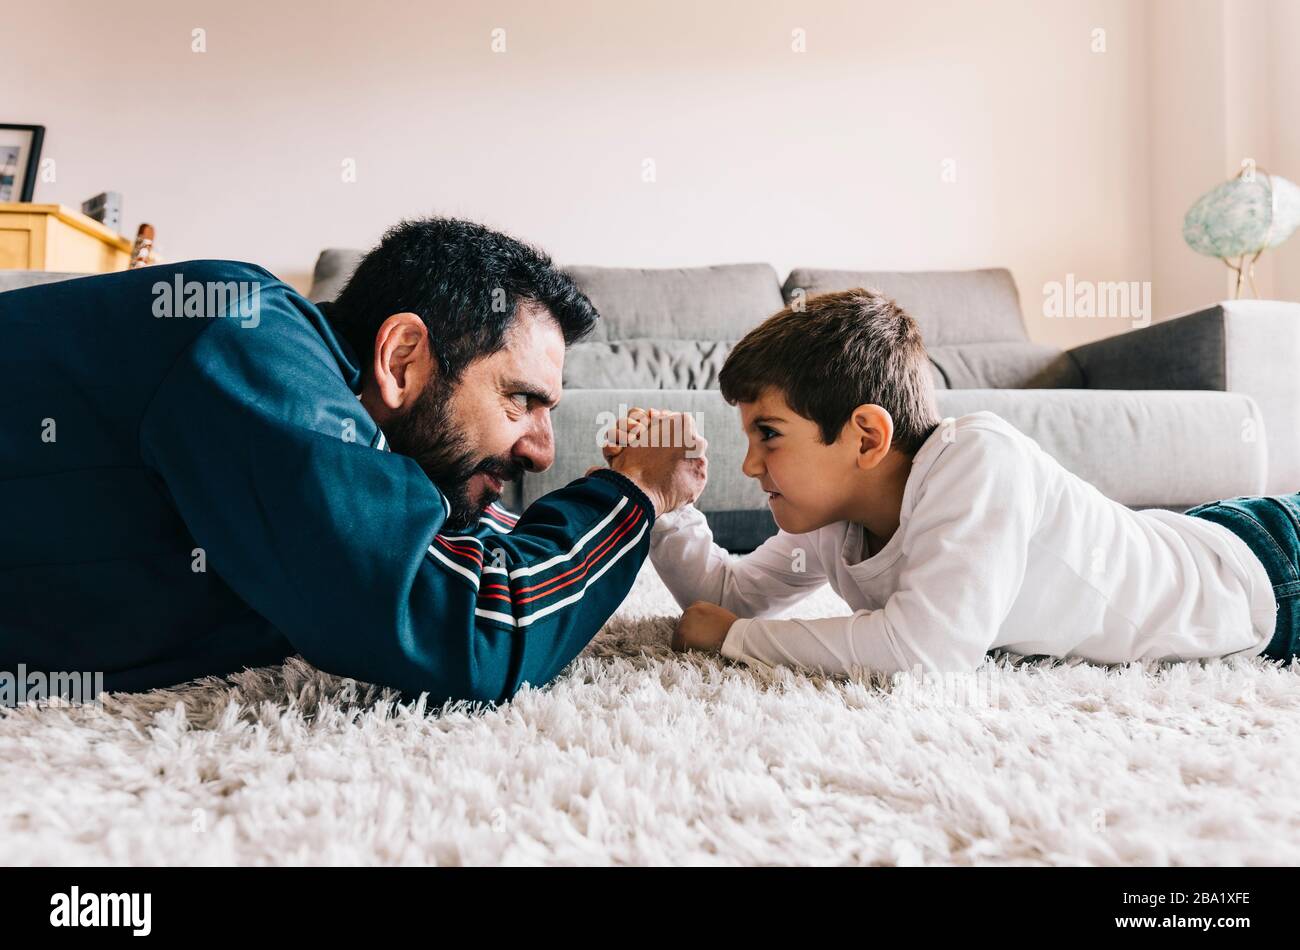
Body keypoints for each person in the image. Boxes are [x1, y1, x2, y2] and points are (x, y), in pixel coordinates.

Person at [0, 217, 706, 703]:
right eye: (521, 399)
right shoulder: (243, 332)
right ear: (402, 358)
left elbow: (460, 550)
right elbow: (467, 626)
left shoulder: (355, 438)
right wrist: (631, 492)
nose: (544, 448)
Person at [641, 288, 1293, 676]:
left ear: (866, 437)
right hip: (1204, 537)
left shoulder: (979, 459)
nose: (750, 466)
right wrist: (664, 504)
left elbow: (926, 652)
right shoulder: (837, 516)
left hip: (1263, 577)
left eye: (770, 435)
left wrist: (736, 640)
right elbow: (723, 596)